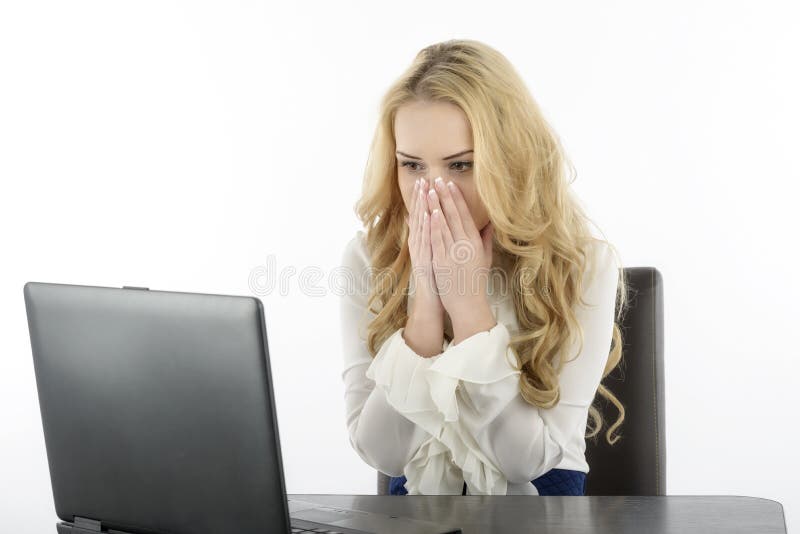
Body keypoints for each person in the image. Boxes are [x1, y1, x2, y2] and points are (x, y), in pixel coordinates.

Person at [339, 39, 628, 496]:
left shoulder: (586, 264)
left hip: (540, 503)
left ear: (511, 161)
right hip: (417, 506)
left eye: (461, 165)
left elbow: (524, 463)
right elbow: (383, 454)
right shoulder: (367, 258)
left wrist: (469, 309)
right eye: (412, 165)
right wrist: (425, 310)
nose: (434, 191)